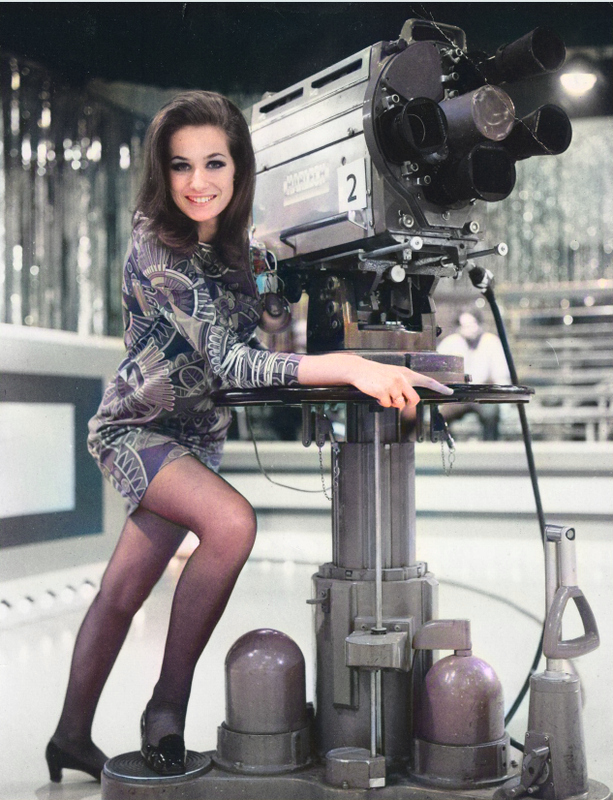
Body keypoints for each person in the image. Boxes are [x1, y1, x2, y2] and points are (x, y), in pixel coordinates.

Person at [45, 90, 453, 782]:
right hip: (138, 429)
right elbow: (232, 361)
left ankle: (68, 737)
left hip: (194, 438)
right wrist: (352, 366)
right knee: (231, 524)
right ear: (162, 172)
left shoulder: (235, 246)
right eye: (180, 166)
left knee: (123, 589)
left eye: (214, 163)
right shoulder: (157, 246)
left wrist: (289, 265)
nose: (197, 182)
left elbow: (268, 311)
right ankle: (165, 710)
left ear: (238, 168)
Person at [438, 307, 510, 439]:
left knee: (491, 413)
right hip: (457, 394)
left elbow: (501, 374)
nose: (470, 329)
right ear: (459, 327)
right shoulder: (450, 342)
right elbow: (439, 373)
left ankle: (490, 446)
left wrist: (504, 404)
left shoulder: (491, 341)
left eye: (473, 324)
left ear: (479, 324)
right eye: (465, 325)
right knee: (440, 416)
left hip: (482, 393)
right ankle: (449, 446)